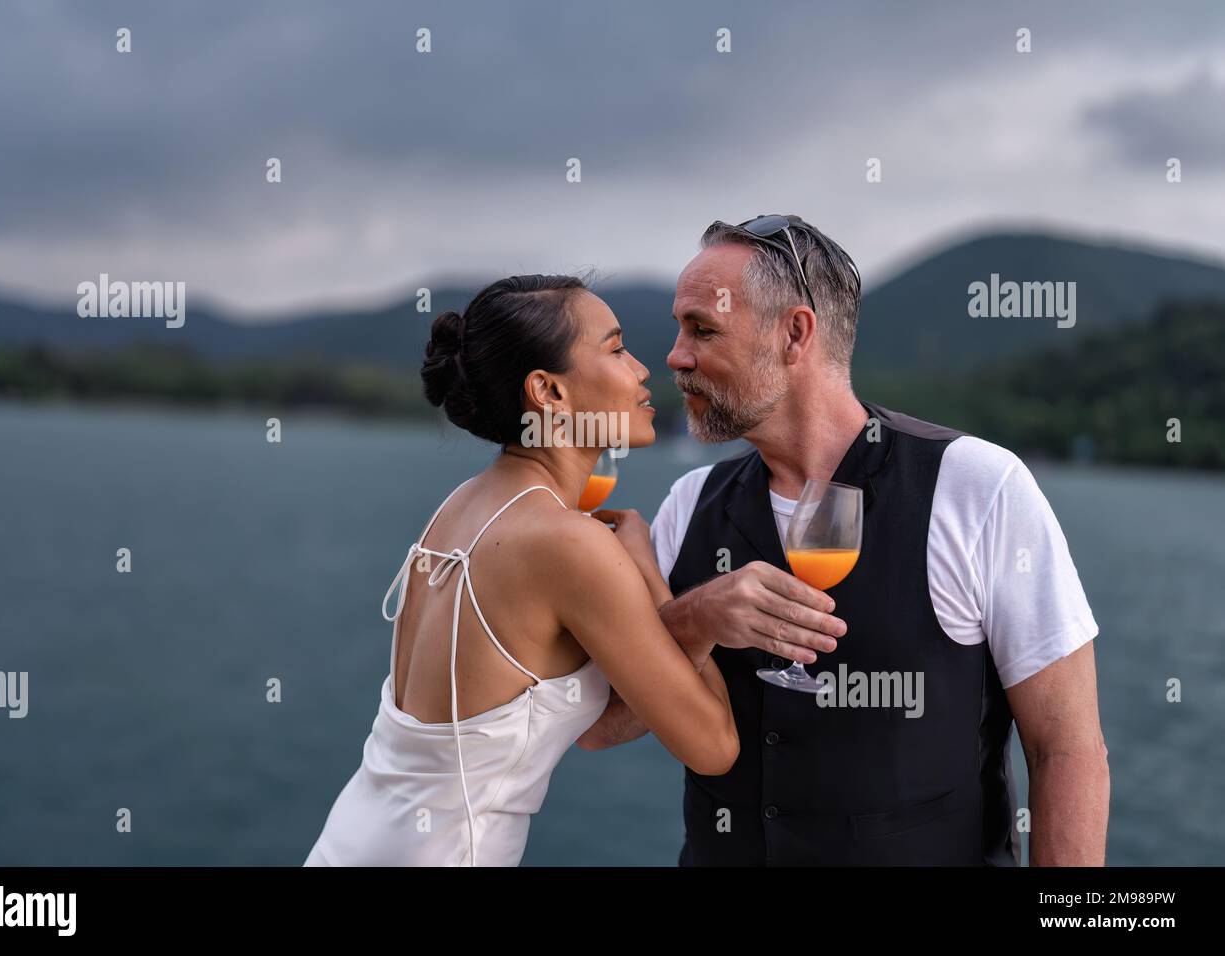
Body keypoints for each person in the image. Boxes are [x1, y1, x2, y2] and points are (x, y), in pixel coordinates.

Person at [579, 214, 1110, 866]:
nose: (674, 355)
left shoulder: (980, 487)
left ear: (794, 334)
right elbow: (604, 723)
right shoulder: (689, 506)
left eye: (702, 329)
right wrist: (696, 619)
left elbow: (1067, 748)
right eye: (678, 328)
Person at [303, 274, 737, 866]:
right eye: (614, 349)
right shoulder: (568, 544)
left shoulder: (461, 505)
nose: (641, 369)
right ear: (548, 392)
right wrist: (668, 589)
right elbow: (713, 746)